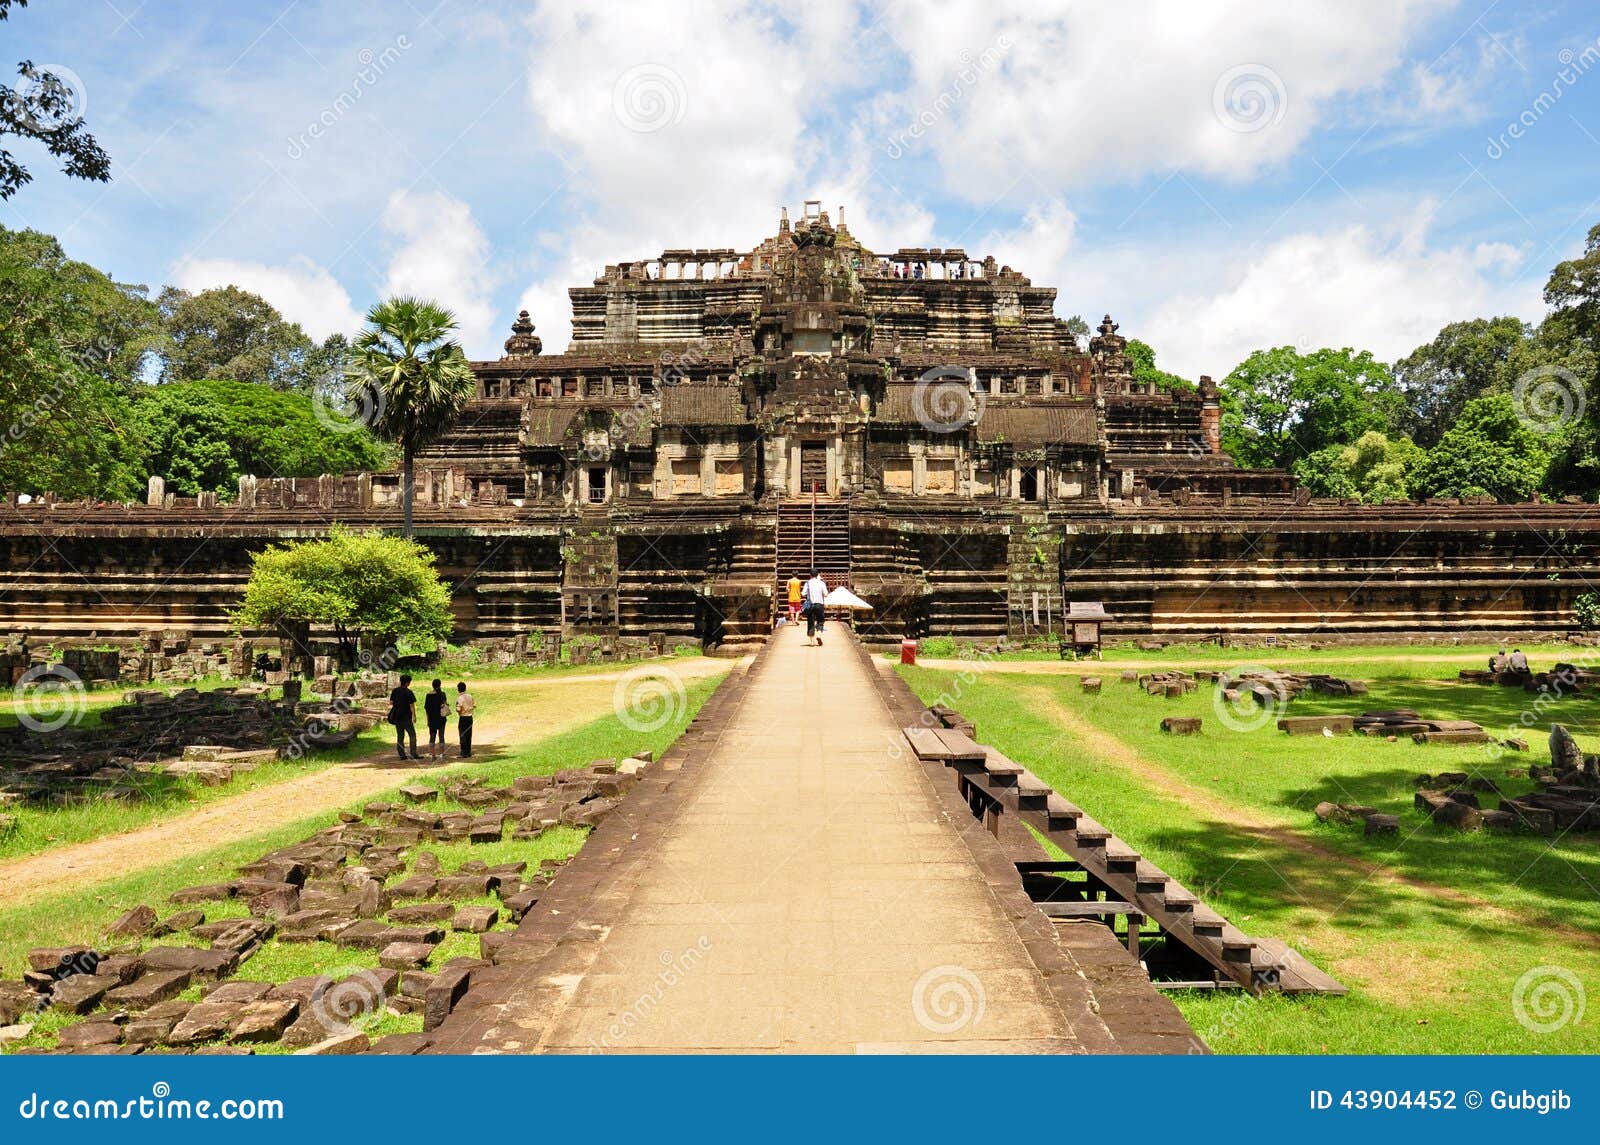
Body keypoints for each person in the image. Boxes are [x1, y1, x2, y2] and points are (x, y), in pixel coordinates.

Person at [388, 673, 418, 761]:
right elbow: (412, 706)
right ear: (407, 683)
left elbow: (391, 703)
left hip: (397, 716)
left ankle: (402, 755)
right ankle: (413, 754)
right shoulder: (409, 692)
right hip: (406, 717)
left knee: (400, 736)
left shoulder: (395, 691)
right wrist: (414, 716)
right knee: (412, 735)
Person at [423, 678, 449, 761]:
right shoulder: (443, 694)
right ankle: (442, 754)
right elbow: (444, 705)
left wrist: (428, 719)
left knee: (432, 736)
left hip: (432, 718)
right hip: (441, 718)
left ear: (432, 686)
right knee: (441, 735)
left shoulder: (428, 695)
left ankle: (432, 754)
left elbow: (426, 709)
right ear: (440, 685)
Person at [804, 569, 828, 646]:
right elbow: (826, 594)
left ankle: (812, 642)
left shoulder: (807, 583)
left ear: (810, 575)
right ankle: (819, 635)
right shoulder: (822, 583)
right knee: (820, 621)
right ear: (817, 575)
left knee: (810, 622)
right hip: (819, 604)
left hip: (810, 605)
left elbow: (803, 593)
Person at [455, 681, 476, 758]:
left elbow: (458, 709)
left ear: (458, 689)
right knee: (469, 734)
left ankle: (463, 752)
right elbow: (474, 705)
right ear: (465, 688)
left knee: (462, 735)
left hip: (463, 718)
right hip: (470, 717)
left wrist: (457, 709)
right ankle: (468, 751)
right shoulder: (470, 696)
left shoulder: (459, 698)